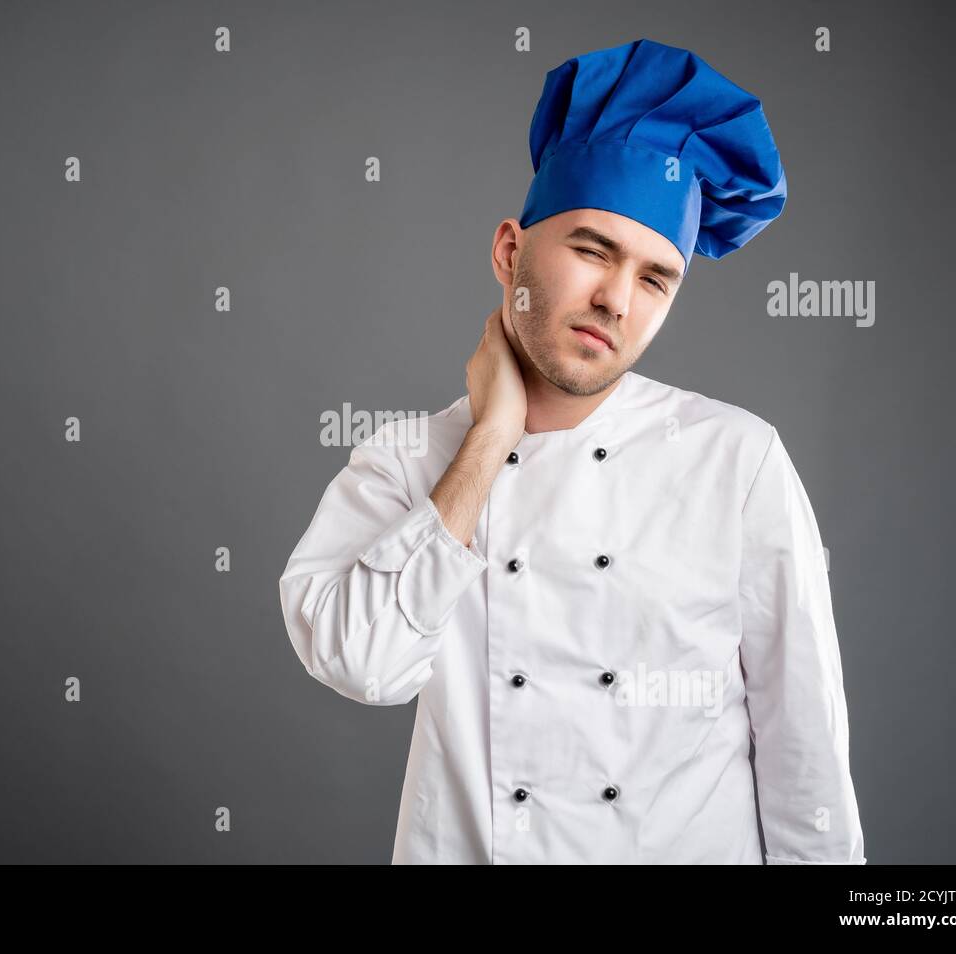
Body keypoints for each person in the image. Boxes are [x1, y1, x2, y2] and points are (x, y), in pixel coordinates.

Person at [278, 38, 865, 864]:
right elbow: (361, 663)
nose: (617, 300)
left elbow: (805, 749)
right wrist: (488, 440)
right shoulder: (408, 457)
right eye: (593, 249)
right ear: (510, 252)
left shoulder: (737, 462)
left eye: (656, 277)